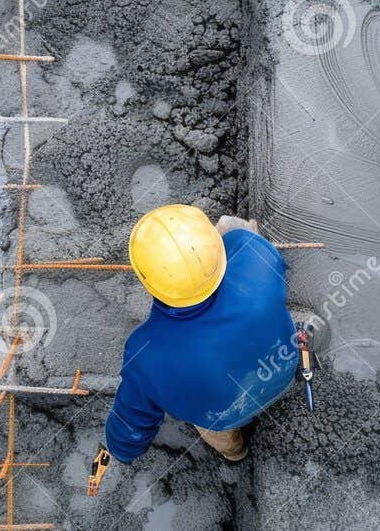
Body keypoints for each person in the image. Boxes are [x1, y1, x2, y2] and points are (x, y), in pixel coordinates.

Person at [92, 206, 299, 483]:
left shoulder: (146, 353)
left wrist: (121, 448)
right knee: (231, 225)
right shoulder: (253, 254)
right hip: (283, 370)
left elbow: (133, 418)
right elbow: (242, 239)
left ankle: (237, 454)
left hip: (225, 413)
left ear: (149, 282)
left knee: (222, 437)